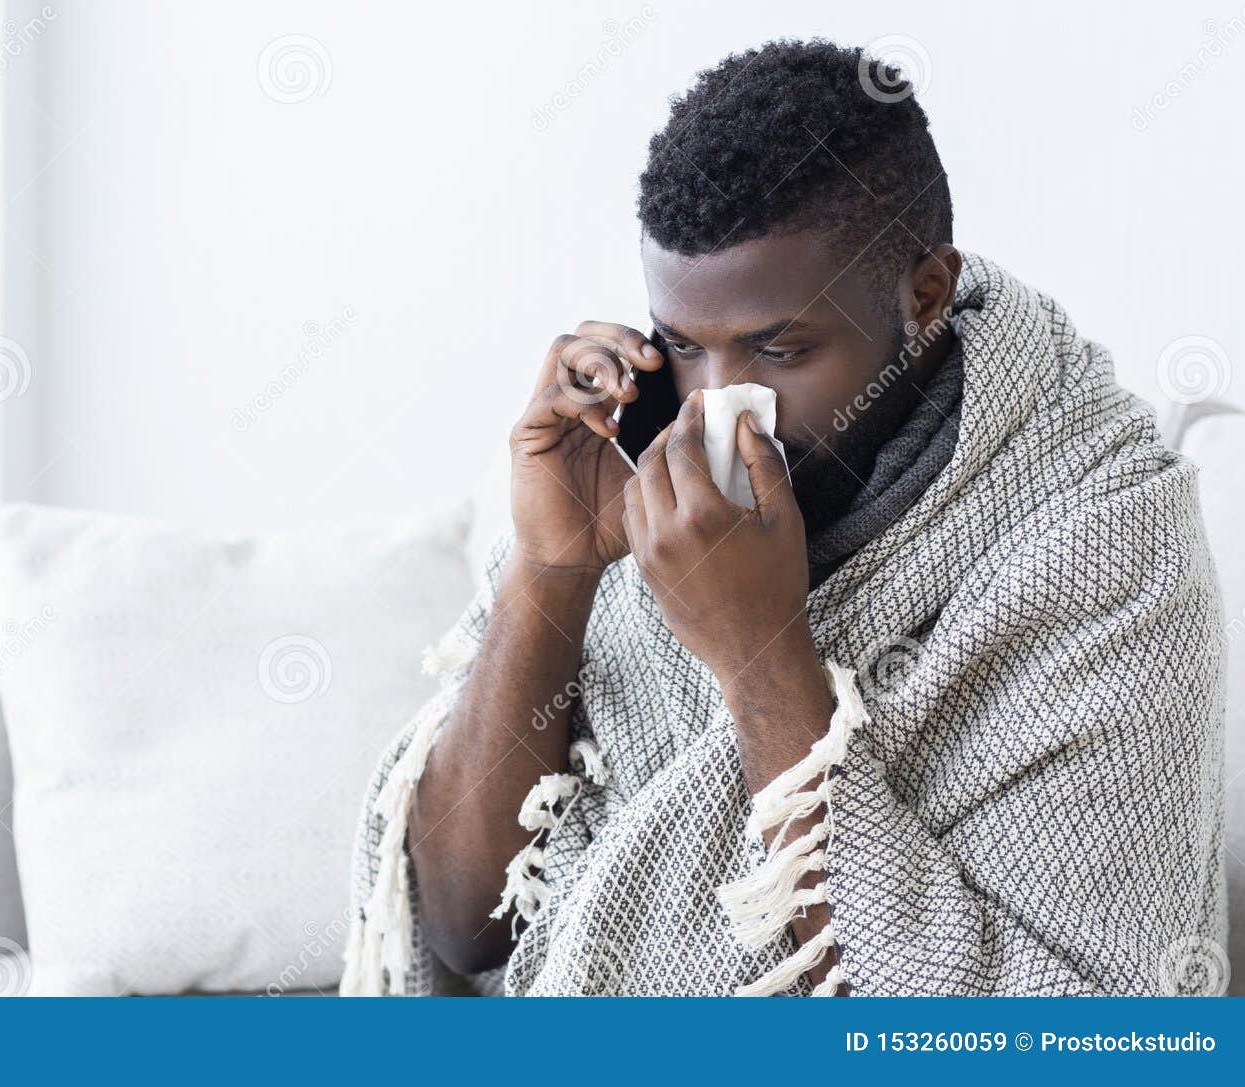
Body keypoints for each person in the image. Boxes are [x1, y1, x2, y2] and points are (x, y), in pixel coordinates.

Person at [342, 38, 1226, 997]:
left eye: (779, 348)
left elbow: (1079, 1028)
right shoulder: (637, 483)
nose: (719, 408)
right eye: (683, 346)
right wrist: (551, 573)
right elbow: (465, 925)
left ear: (924, 297)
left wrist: (761, 653)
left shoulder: (1106, 532)